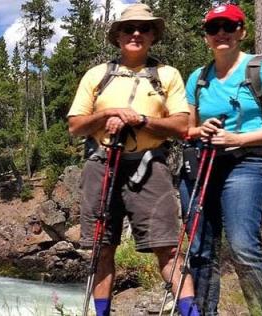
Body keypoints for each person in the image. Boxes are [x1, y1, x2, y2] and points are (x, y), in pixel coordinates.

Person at [66, 4, 198, 315]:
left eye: (144, 28)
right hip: (102, 162)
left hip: (150, 165)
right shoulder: (97, 75)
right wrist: (110, 113)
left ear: (153, 35)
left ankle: (192, 312)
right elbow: (75, 126)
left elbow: (182, 127)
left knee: (168, 248)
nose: (136, 33)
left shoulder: (167, 75)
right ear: (117, 36)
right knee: (101, 249)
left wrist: (139, 120)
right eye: (129, 28)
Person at [180, 4, 262, 315]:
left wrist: (239, 138)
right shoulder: (199, 77)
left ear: (241, 31)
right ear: (206, 36)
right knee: (200, 249)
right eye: (213, 28)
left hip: (248, 163)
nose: (221, 33)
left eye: (228, 26)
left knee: (244, 247)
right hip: (204, 163)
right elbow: (186, 128)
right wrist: (198, 130)